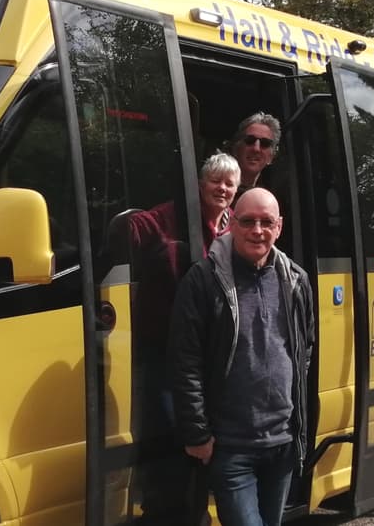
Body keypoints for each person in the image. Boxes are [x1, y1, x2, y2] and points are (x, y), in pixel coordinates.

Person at [169, 188, 315, 526]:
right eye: (248, 221)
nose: (257, 231)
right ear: (231, 224)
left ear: (279, 227)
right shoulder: (203, 280)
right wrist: (197, 433)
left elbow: (304, 349)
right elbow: (185, 362)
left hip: (282, 442)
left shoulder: (296, 280)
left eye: (266, 222)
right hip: (231, 446)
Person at [126, 152, 240, 524]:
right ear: (199, 185)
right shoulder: (172, 215)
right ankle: (164, 511)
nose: (222, 188)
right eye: (215, 181)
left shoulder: (234, 225)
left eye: (229, 184)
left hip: (211, 352)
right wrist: (119, 226)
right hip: (163, 349)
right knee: (170, 436)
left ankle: (193, 510)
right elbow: (136, 228)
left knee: (203, 438)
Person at [228, 113, 281, 198]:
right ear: (236, 148)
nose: (256, 149)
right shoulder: (218, 191)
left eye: (265, 143)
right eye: (250, 140)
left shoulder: (269, 198)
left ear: (271, 156)